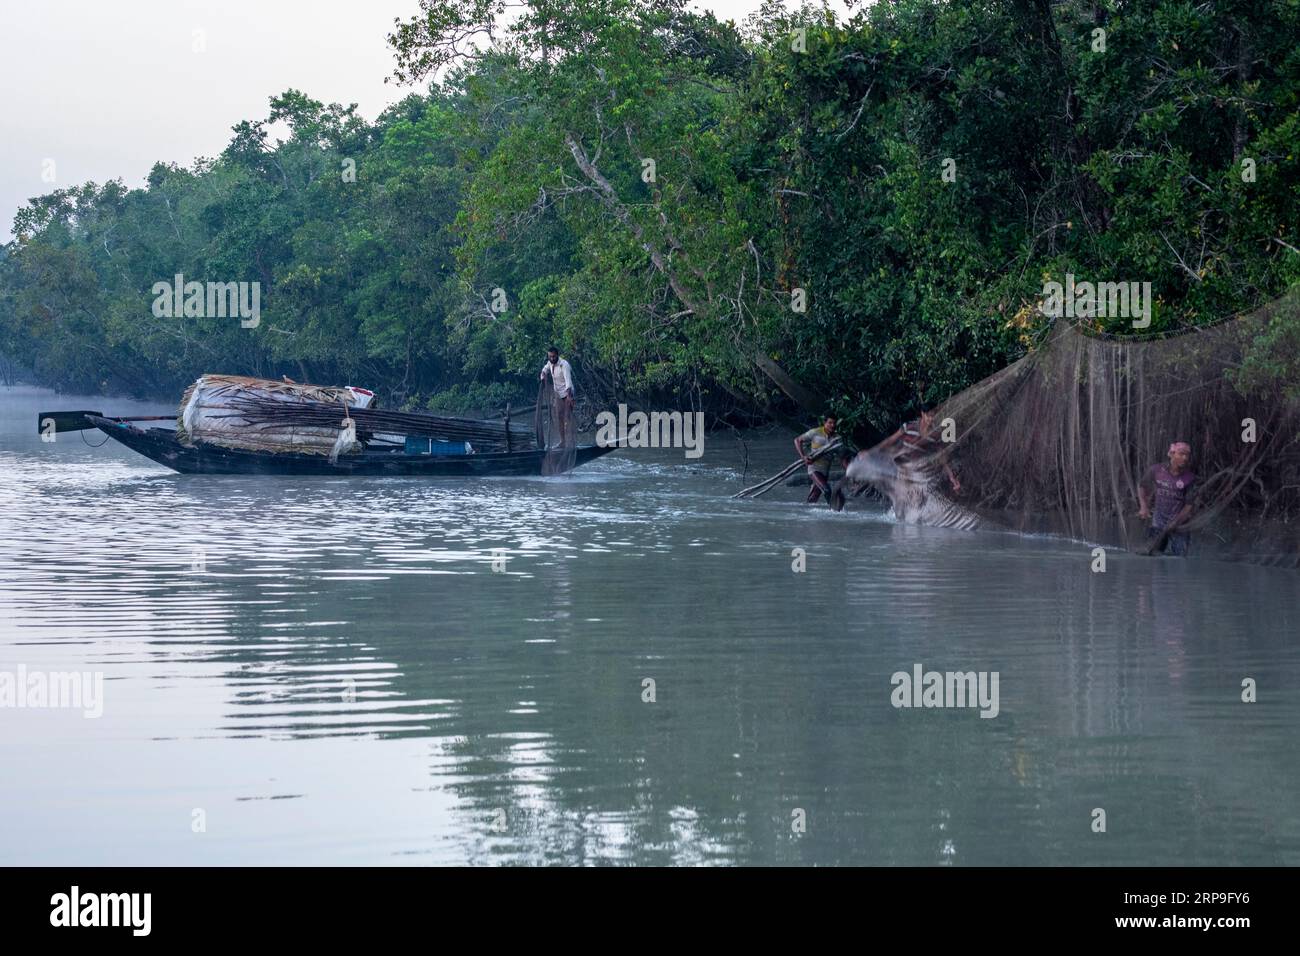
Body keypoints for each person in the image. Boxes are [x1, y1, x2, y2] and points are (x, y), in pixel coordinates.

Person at [876, 409, 961, 494]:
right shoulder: (909, 427)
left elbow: (942, 459)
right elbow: (891, 440)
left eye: (933, 416)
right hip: (903, 469)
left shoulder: (935, 435)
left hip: (918, 471)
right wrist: (874, 451)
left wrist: (952, 478)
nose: (931, 418)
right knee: (903, 493)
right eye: (929, 415)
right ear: (923, 414)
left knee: (915, 495)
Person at [1138, 441, 1196, 556]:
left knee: (1180, 560)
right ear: (1172, 454)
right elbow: (1142, 486)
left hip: (1180, 527)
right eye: (1181, 454)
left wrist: (1175, 522)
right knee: (1153, 557)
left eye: (1187, 455)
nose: (1185, 458)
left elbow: (1189, 506)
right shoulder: (1156, 470)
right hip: (1158, 525)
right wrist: (1143, 507)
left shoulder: (1190, 478)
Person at [794, 416, 850, 505]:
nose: (832, 425)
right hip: (814, 468)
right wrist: (803, 457)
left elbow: (842, 459)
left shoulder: (837, 439)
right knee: (827, 490)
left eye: (834, 423)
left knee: (814, 496)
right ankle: (835, 511)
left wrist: (849, 471)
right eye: (830, 423)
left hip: (825, 471)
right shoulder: (815, 432)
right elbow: (797, 440)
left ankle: (805, 511)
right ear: (825, 423)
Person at [539, 347, 575, 448]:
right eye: (550, 356)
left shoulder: (564, 365)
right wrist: (543, 374)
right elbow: (545, 369)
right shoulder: (550, 363)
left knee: (568, 418)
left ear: (557, 355)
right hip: (558, 394)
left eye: (553, 356)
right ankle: (563, 442)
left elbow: (568, 382)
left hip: (568, 393)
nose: (552, 358)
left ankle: (571, 442)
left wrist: (569, 397)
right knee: (559, 417)